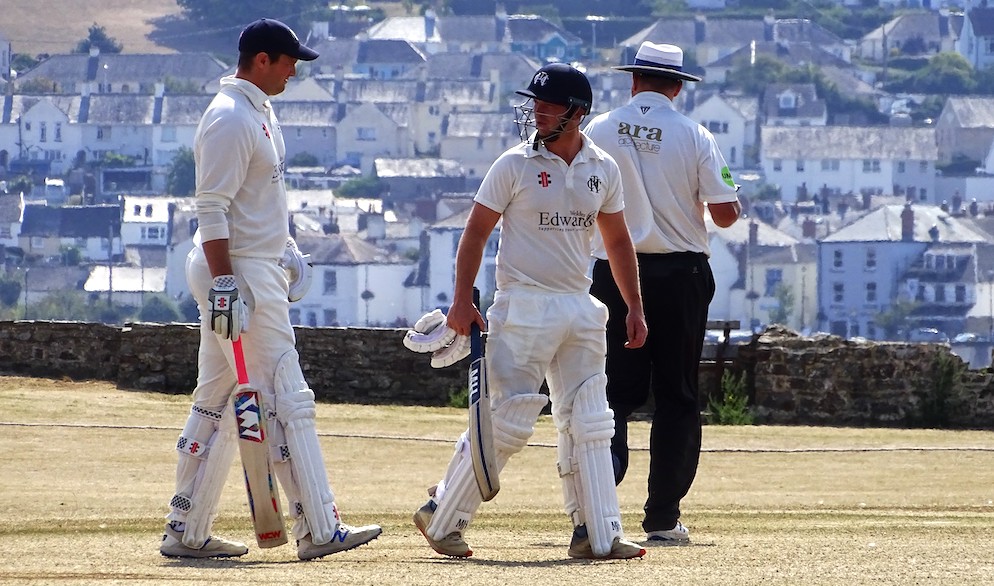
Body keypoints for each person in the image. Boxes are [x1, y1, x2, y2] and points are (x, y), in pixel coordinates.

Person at [159, 18, 381, 560]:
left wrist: (283, 249)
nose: (292, 72)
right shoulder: (230, 118)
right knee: (285, 390)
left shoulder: (258, 111)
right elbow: (210, 208)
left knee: (218, 397)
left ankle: (184, 530)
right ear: (262, 60)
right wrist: (227, 282)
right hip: (236, 271)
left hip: (252, 264)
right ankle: (317, 527)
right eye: (288, 62)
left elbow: (254, 203)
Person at [411, 63, 649, 560]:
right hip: (521, 304)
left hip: (579, 306)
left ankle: (595, 532)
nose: (536, 112)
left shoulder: (603, 167)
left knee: (589, 419)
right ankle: (443, 514)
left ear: (578, 114)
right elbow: (474, 234)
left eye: (548, 105)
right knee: (511, 418)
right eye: (534, 103)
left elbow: (618, 240)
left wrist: (634, 306)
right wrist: (462, 300)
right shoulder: (514, 164)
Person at [584, 41, 742, 544]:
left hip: (611, 270)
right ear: (677, 87)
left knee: (611, 393)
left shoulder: (599, 129)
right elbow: (725, 213)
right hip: (679, 274)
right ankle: (662, 516)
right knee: (676, 395)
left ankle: (596, 503)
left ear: (634, 82)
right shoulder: (695, 135)